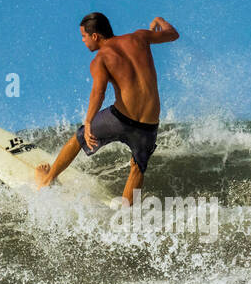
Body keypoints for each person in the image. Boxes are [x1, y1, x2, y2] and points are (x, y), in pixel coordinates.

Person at [34, 12, 178, 202]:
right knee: (137, 168)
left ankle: (47, 180)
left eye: (83, 36)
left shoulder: (100, 59)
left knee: (78, 138)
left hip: (120, 119)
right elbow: (173, 34)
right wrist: (159, 20)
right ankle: (126, 218)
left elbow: (98, 93)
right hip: (148, 125)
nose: (83, 41)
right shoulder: (140, 37)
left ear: (95, 36)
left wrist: (87, 123)